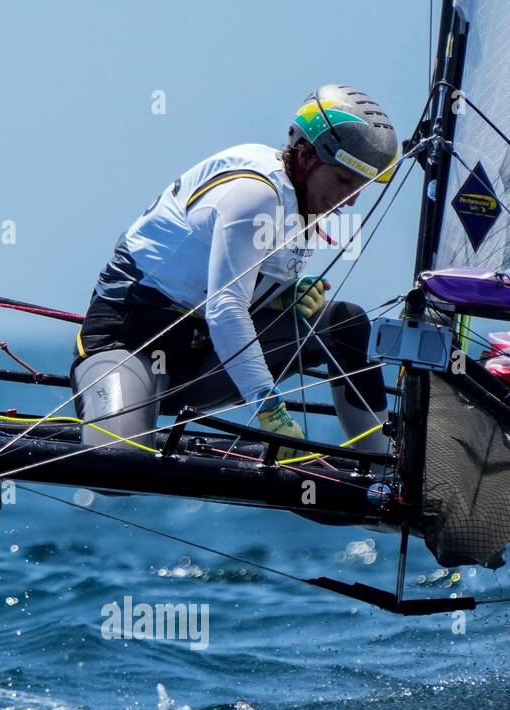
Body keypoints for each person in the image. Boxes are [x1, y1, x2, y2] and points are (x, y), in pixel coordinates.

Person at [71, 83, 398, 459]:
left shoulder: (303, 199)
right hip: (129, 344)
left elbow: (230, 284)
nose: (352, 200)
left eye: (360, 186)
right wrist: (270, 410)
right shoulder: (256, 193)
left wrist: (281, 297)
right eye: (344, 180)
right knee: (119, 461)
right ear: (306, 155)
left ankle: (381, 467)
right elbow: (226, 308)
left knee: (345, 323)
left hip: (204, 359)